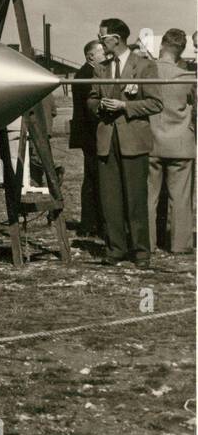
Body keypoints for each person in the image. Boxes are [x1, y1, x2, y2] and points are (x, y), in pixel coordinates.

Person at [87, 19, 162, 267]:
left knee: (136, 200)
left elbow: (155, 103)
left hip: (134, 142)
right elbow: (91, 99)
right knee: (110, 200)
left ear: (116, 39)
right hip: (107, 141)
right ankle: (115, 249)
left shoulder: (145, 66)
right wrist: (99, 106)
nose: (100, 42)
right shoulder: (100, 68)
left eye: (102, 38)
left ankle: (141, 253)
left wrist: (125, 106)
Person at [147, 28, 195, 255]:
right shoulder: (187, 77)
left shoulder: (147, 72)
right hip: (181, 143)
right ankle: (180, 244)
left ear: (162, 45)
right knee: (181, 198)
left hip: (151, 141)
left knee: (148, 197)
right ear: (182, 50)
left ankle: (147, 242)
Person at [70, 39, 107, 238]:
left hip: (89, 134)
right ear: (90, 55)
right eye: (101, 51)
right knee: (95, 178)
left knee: (92, 179)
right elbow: (90, 109)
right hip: (91, 134)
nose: (106, 54)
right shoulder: (87, 75)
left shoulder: (86, 73)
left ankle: (90, 223)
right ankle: (93, 224)